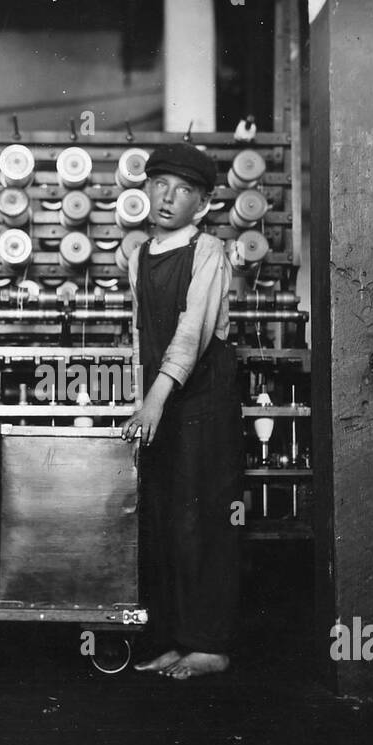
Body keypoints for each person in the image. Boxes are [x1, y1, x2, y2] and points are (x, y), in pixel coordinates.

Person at [121, 142, 241, 680]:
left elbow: (190, 336)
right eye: (160, 185)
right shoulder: (139, 254)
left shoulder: (210, 252)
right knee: (163, 522)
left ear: (204, 205)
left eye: (183, 191)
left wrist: (154, 401)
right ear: (145, 189)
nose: (167, 197)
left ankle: (210, 645)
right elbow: (142, 334)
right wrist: (139, 396)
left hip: (200, 404)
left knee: (200, 523)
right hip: (160, 403)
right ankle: (175, 638)